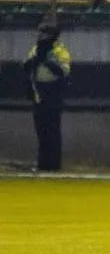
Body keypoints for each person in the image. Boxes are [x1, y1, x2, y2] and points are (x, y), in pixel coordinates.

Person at [23, 22, 70, 171]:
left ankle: (54, 165)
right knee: (41, 130)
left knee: (53, 130)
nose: (40, 36)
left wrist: (45, 60)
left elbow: (62, 72)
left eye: (44, 33)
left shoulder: (60, 51)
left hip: (53, 92)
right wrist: (35, 60)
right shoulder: (36, 49)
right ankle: (42, 164)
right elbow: (26, 67)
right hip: (39, 91)